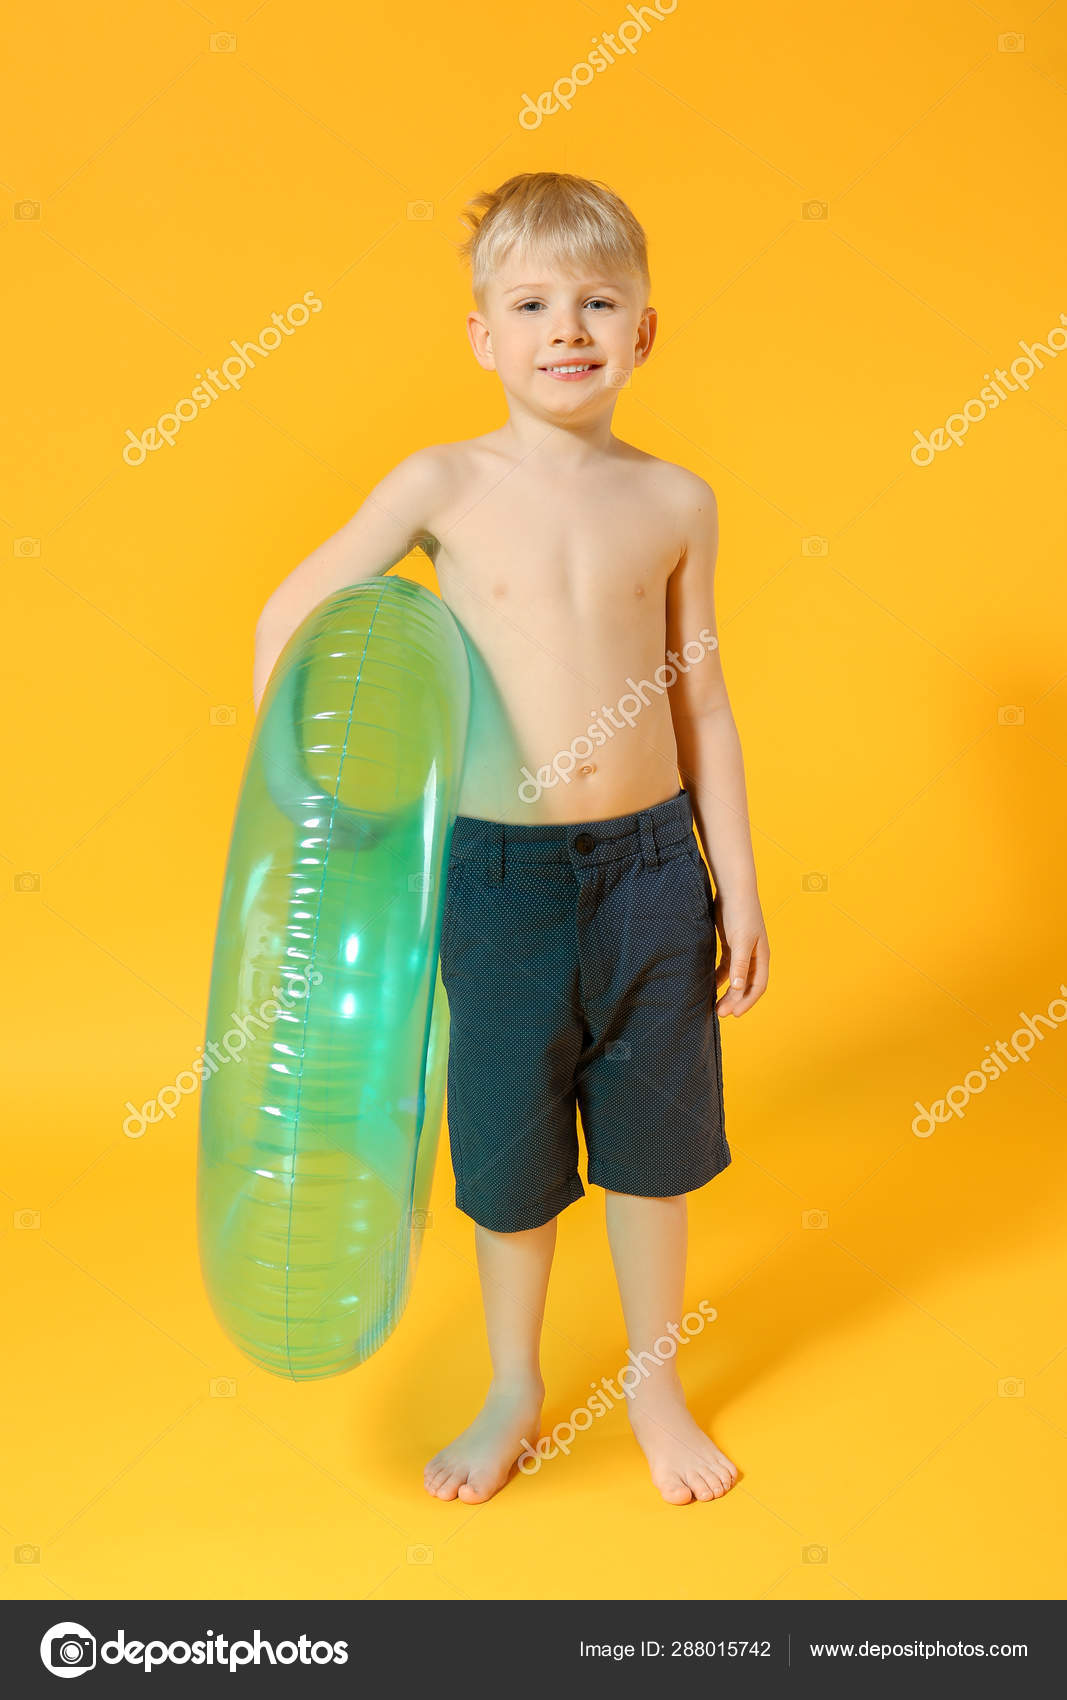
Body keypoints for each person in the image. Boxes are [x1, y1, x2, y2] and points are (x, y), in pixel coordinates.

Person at [253, 171, 770, 1506]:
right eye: (533, 303)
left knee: (657, 1156)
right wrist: (301, 788)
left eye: (601, 302)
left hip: (654, 873)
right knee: (508, 1156)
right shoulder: (443, 484)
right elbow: (295, 613)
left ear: (645, 330)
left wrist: (742, 887)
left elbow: (701, 696)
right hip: (497, 879)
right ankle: (514, 1389)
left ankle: (656, 1386)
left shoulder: (677, 502)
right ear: (483, 333)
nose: (569, 329)